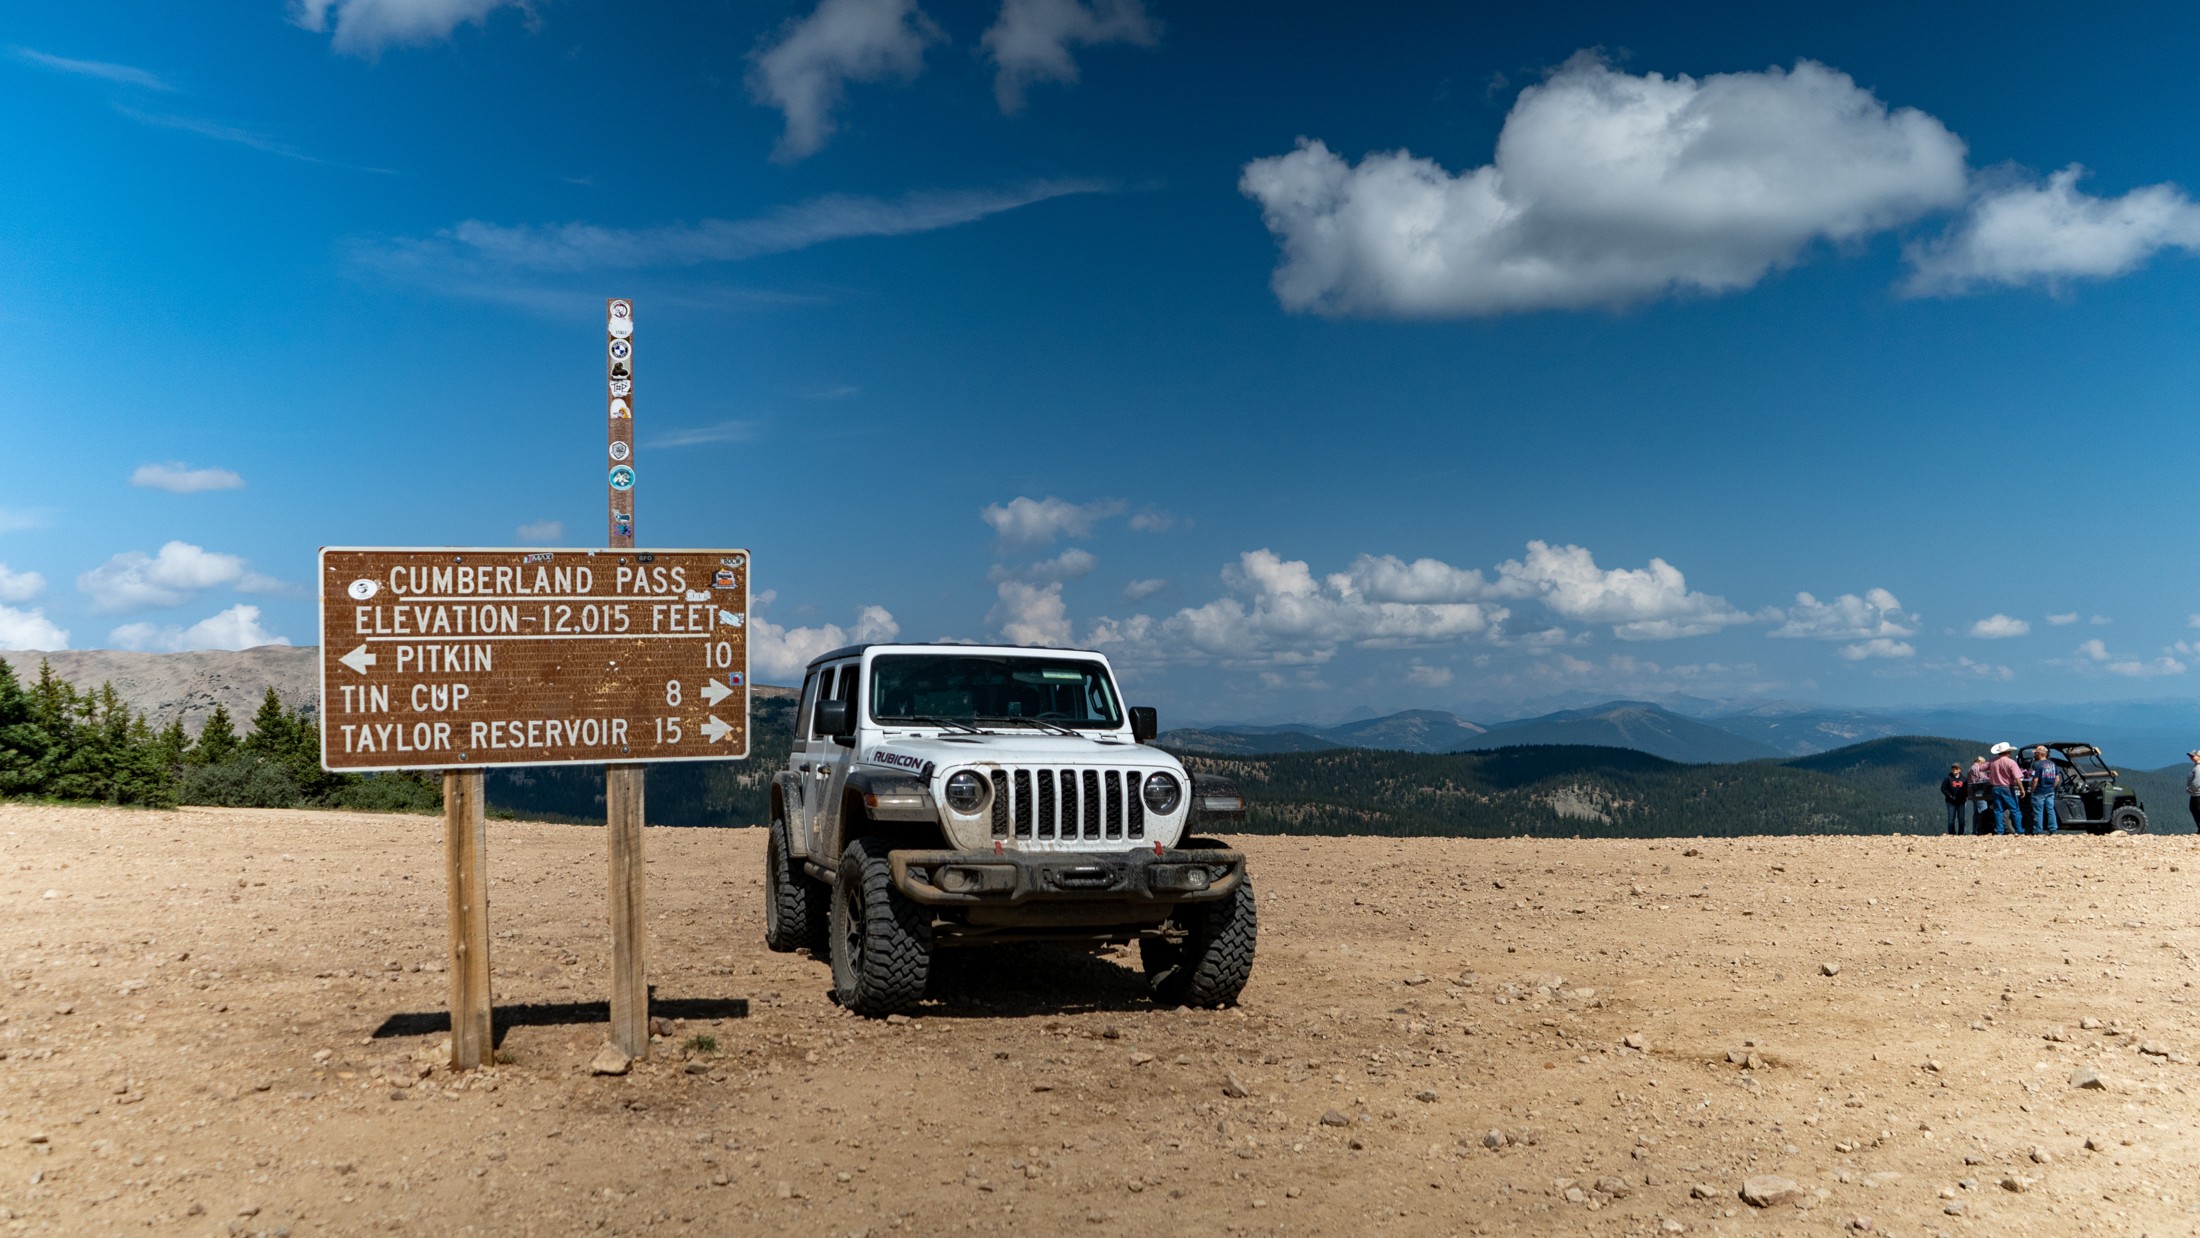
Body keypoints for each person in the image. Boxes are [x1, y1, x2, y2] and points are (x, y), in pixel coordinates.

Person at [1984, 742, 2025, 836]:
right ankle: (2019, 830)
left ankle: (1999, 831)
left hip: (1995, 788)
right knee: (2014, 809)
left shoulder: (1992, 761)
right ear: (2008, 752)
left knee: (1998, 810)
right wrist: (2022, 789)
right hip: (2007, 788)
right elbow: (2017, 778)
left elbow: (1982, 768)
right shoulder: (2011, 762)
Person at [2026, 745, 2061, 835]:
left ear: (2039, 754)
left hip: (2039, 791)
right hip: (2050, 791)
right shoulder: (2053, 764)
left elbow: (2035, 780)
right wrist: (2052, 787)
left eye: (2036, 753)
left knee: (2038, 811)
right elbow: (2057, 778)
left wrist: (2032, 790)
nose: (2035, 755)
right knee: (2050, 810)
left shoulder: (2037, 765)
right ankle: (2053, 829)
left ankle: (2038, 830)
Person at [1940, 763, 1968, 835]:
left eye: (1956, 768)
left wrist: (1965, 796)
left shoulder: (1964, 779)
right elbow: (1943, 788)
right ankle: (1951, 833)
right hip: (1950, 801)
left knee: (1961, 819)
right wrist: (1950, 796)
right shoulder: (1948, 778)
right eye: (1953, 768)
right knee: (1951, 819)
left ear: (1960, 770)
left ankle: (1961, 833)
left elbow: (1967, 789)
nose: (1954, 770)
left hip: (1961, 801)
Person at [1967, 756, 1992, 835]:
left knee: (1976, 813)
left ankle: (1975, 830)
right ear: (1980, 761)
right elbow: (1983, 778)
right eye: (1983, 763)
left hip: (1974, 793)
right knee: (1983, 811)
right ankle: (1982, 830)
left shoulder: (1971, 768)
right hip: (1980, 792)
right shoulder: (1977, 768)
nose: (1983, 765)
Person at [2187, 750, 2200, 833]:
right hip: (2196, 793)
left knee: (2197, 810)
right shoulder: (2196, 767)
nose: (2191, 757)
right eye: (2190, 756)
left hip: (2198, 793)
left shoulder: (2198, 768)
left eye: (2193, 756)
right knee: (2194, 809)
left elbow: (2197, 782)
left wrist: (2190, 789)